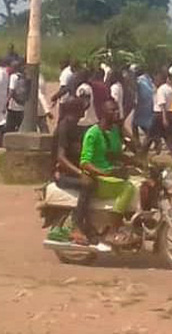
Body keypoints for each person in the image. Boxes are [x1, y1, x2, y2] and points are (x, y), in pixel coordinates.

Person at [79, 97, 138, 249]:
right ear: (103, 113)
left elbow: (124, 152)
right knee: (128, 188)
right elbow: (85, 162)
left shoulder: (114, 131)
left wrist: (137, 162)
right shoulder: (93, 133)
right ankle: (113, 231)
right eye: (113, 110)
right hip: (100, 177)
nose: (117, 113)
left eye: (117, 109)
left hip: (114, 174)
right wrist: (104, 173)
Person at [50, 95, 91, 244]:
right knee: (87, 184)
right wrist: (80, 173)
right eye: (82, 108)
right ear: (76, 110)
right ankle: (77, 226)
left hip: (72, 172)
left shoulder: (75, 126)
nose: (84, 111)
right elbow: (61, 158)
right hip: (62, 174)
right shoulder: (64, 127)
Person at [133, 66, 156, 143]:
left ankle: (137, 142)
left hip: (142, 104)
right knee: (144, 123)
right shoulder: (148, 79)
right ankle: (154, 139)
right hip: (149, 104)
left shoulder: (138, 81)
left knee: (135, 124)